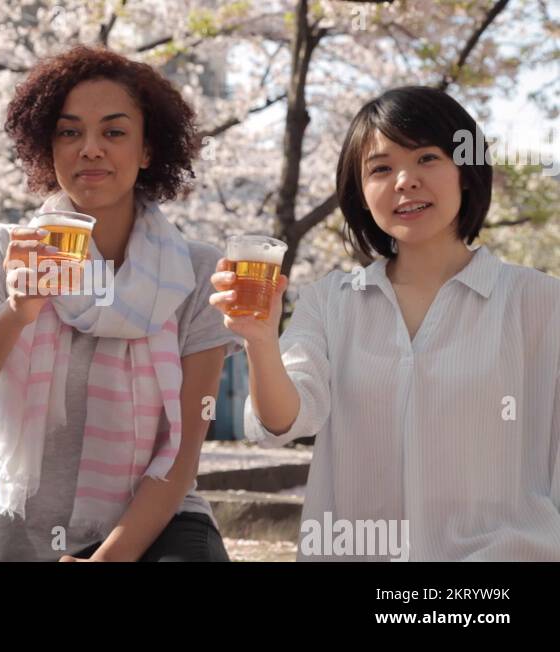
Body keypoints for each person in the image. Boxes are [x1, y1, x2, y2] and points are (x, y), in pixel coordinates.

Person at [209, 86, 560, 561]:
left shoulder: (539, 302)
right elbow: (283, 421)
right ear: (360, 193)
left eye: (427, 159)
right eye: (380, 168)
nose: (404, 181)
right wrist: (259, 340)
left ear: (466, 172)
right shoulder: (331, 302)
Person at [0, 46, 242, 562]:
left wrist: (109, 559)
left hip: (159, 531)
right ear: (48, 147)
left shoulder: (195, 272)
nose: (90, 149)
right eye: (69, 132)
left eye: (113, 132)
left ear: (147, 150)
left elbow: (182, 453)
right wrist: (20, 308)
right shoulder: (2, 250)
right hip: (33, 534)